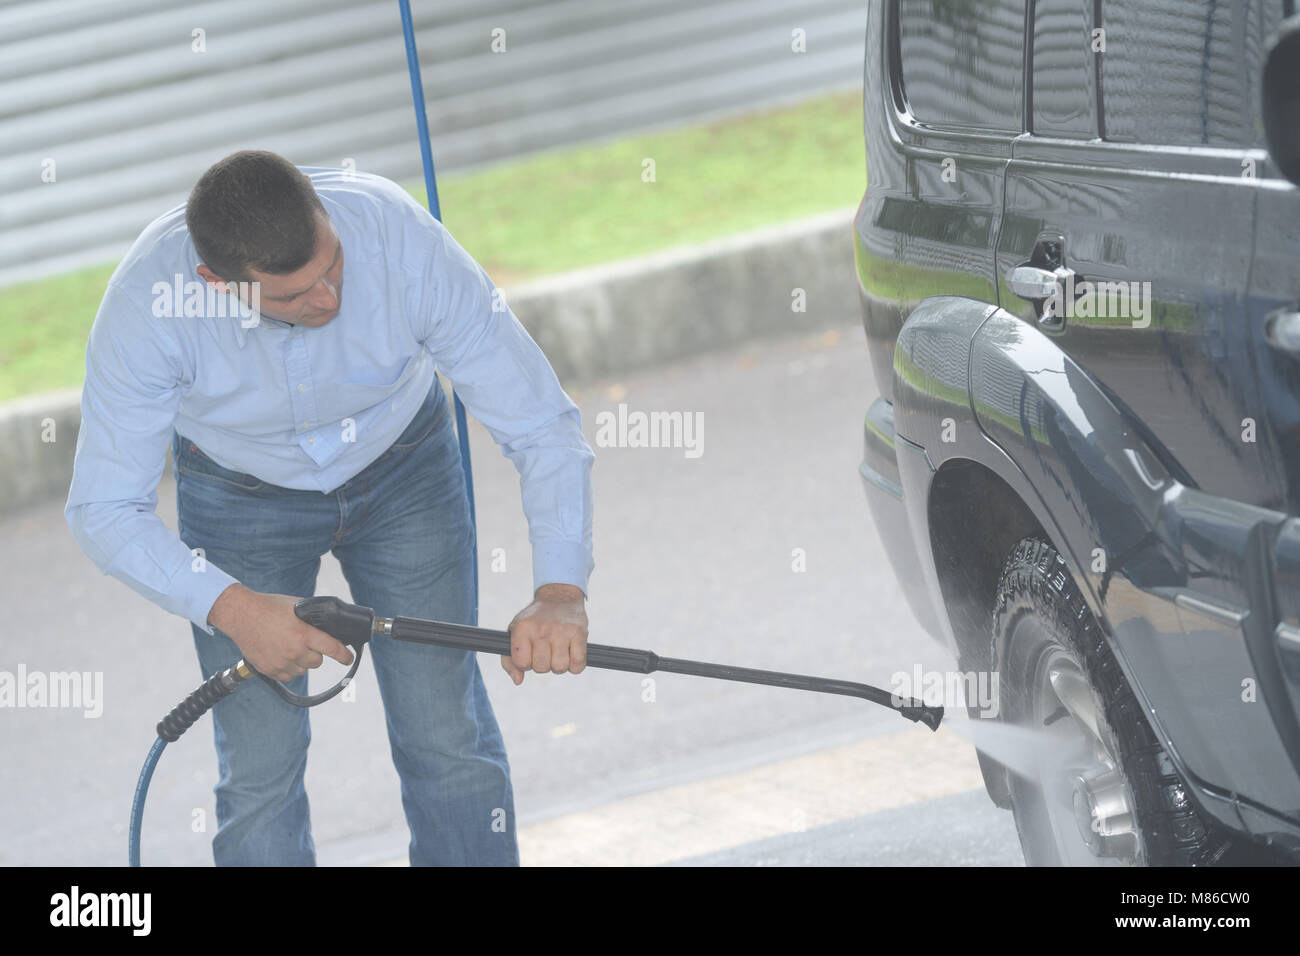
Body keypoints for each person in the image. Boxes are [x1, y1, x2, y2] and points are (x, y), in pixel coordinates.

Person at [64, 149, 595, 866]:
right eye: (292, 296)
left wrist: (560, 592)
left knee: (446, 733)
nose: (329, 300)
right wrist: (235, 609)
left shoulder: (396, 236)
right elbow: (102, 508)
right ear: (214, 283)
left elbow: (538, 421)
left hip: (406, 468)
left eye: (332, 266)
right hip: (236, 497)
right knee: (259, 770)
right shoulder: (147, 308)